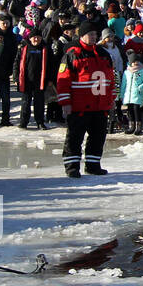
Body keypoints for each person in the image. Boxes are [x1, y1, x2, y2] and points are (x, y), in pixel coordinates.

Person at [56, 21, 116, 177]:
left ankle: (93, 165)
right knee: (75, 137)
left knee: (98, 137)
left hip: (100, 105)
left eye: (95, 34)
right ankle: (72, 167)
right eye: (90, 34)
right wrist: (65, 103)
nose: (94, 37)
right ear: (82, 36)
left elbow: (111, 79)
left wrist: (111, 100)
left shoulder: (103, 54)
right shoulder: (73, 54)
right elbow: (63, 80)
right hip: (79, 106)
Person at [16, 27, 49, 130]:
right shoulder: (24, 49)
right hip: (26, 80)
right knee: (25, 103)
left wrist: (50, 80)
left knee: (39, 103)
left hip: (40, 81)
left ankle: (40, 122)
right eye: (34, 37)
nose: (36, 39)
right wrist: (16, 77)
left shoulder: (45, 49)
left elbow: (51, 65)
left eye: (38, 37)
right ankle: (23, 122)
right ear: (30, 38)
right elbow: (16, 64)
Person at [120, 56, 143, 135]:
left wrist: (140, 88)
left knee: (136, 110)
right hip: (128, 95)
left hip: (137, 94)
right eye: (134, 62)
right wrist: (122, 94)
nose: (136, 63)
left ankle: (138, 126)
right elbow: (124, 84)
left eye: (137, 61)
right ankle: (131, 126)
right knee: (129, 110)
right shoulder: (127, 72)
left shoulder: (142, 70)